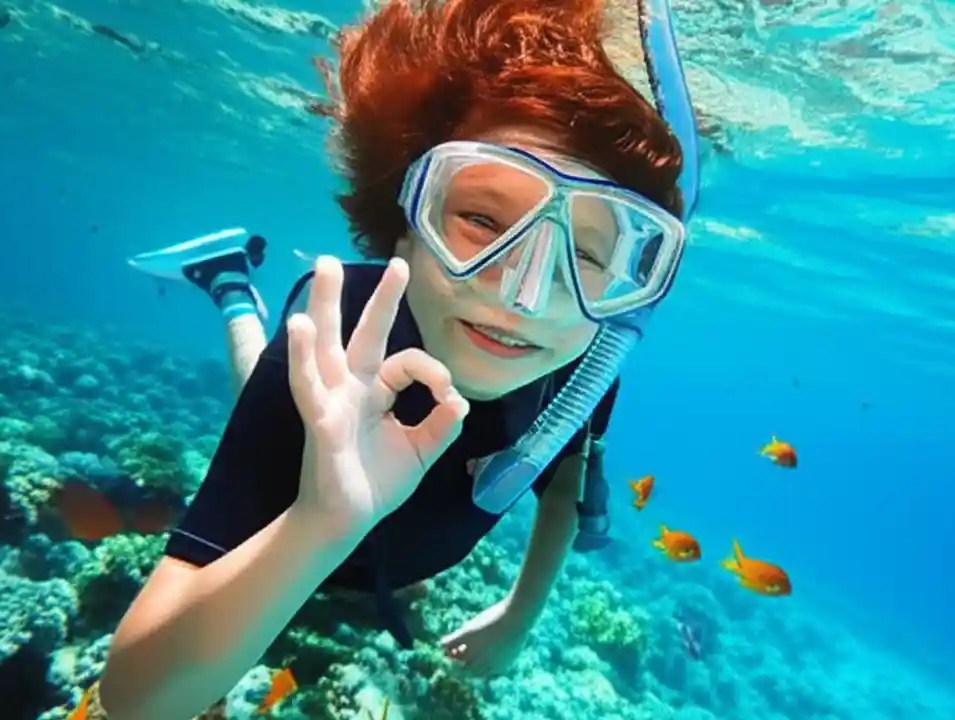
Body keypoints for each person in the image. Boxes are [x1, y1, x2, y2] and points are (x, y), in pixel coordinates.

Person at [93, 0, 700, 717]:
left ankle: (228, 277)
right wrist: (317, 523)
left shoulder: (582, 365)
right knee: (265, 377)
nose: (526, 297)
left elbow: (565, 477)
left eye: (589, 254)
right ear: (404, 216)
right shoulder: (336, 337)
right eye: (482, 220)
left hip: (396, 560)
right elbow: (134, 702)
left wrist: (519, 614)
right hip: (312, 481)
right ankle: (230, 286)